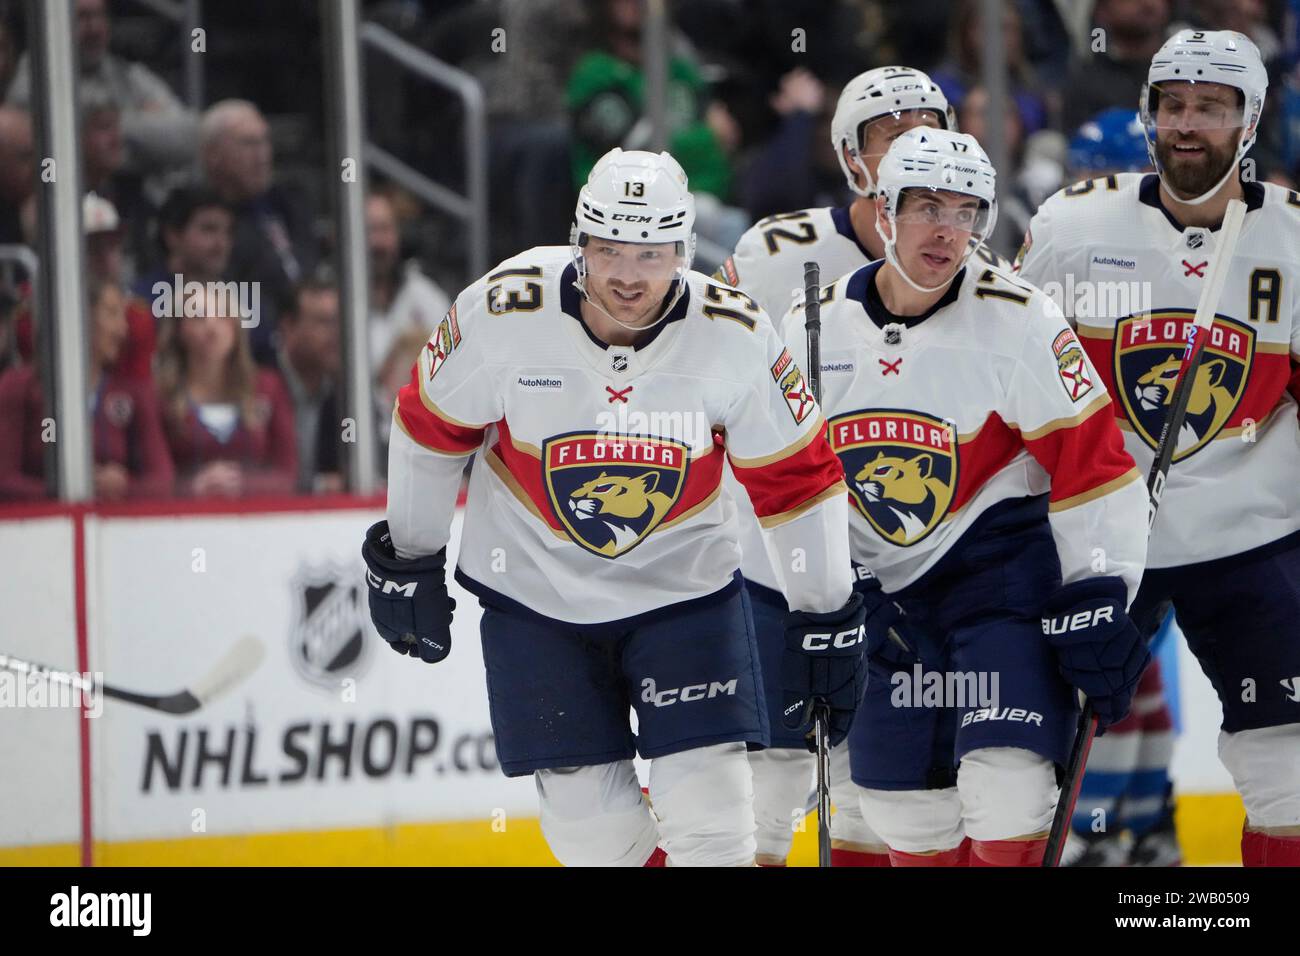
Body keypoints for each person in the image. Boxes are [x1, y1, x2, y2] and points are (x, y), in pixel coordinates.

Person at [362, 147, 868, 867]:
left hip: (685, 591)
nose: (628, 275)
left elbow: (799, 478)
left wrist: (825, 612)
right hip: (535, 595)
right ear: (581, 245)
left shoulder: (735, 333)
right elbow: (429, 426)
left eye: (652, 253)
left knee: (714, 815)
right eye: (609, 249)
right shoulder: (504, 308)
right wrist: (410, 555)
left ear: (684, 252)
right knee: (587, 829)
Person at [779, 126, 1150, 866]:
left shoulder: (1020, 320)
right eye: (925, 207)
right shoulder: (809, 328)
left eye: (966, 212)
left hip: (1000, 588)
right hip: (884, 608)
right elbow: (782, 483)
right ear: (882, 211)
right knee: (905, 812)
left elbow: (1095, 466)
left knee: (1009, 785)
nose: (947, 231)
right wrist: (827, 590)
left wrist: (1101, 591)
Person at [1017, 30, 1300, 867]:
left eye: (1211, 107)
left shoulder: (1293, 242)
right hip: (1097, 543)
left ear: (1248, 123)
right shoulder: (1072, 227)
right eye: (1172, 104)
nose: (1187, 124)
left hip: (1252, 540)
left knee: (1290, 775)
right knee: (1023, 770)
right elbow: (1013, 394)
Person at [717, 66, 1003, 868]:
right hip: (780, 569)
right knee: (766, 790)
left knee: (881, 800)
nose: (915, 141)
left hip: (912, 577)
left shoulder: (983, 265)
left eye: (930, 124)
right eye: (892, 131)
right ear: (851, 158)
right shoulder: (777, 253)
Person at [0, 277, 173, 501]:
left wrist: (124, 488)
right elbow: (3, 479)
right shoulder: (19, 388)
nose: (123, 329)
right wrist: (66, 491)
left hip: (115, 528)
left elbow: (162, 481)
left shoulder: (133, 392)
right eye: (112, 314)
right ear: (76, 316)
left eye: (123, 315)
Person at [155, 291, 296, 498]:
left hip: (258, 522)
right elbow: (153, 480)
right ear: (178, 329)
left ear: (236, 326)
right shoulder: (159, 395)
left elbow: (289, 476)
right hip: (181, 522)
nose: (212, 327)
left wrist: (244, 485)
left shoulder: (268, 388)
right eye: (198, 316)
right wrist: (190, 488)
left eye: (222, 315)